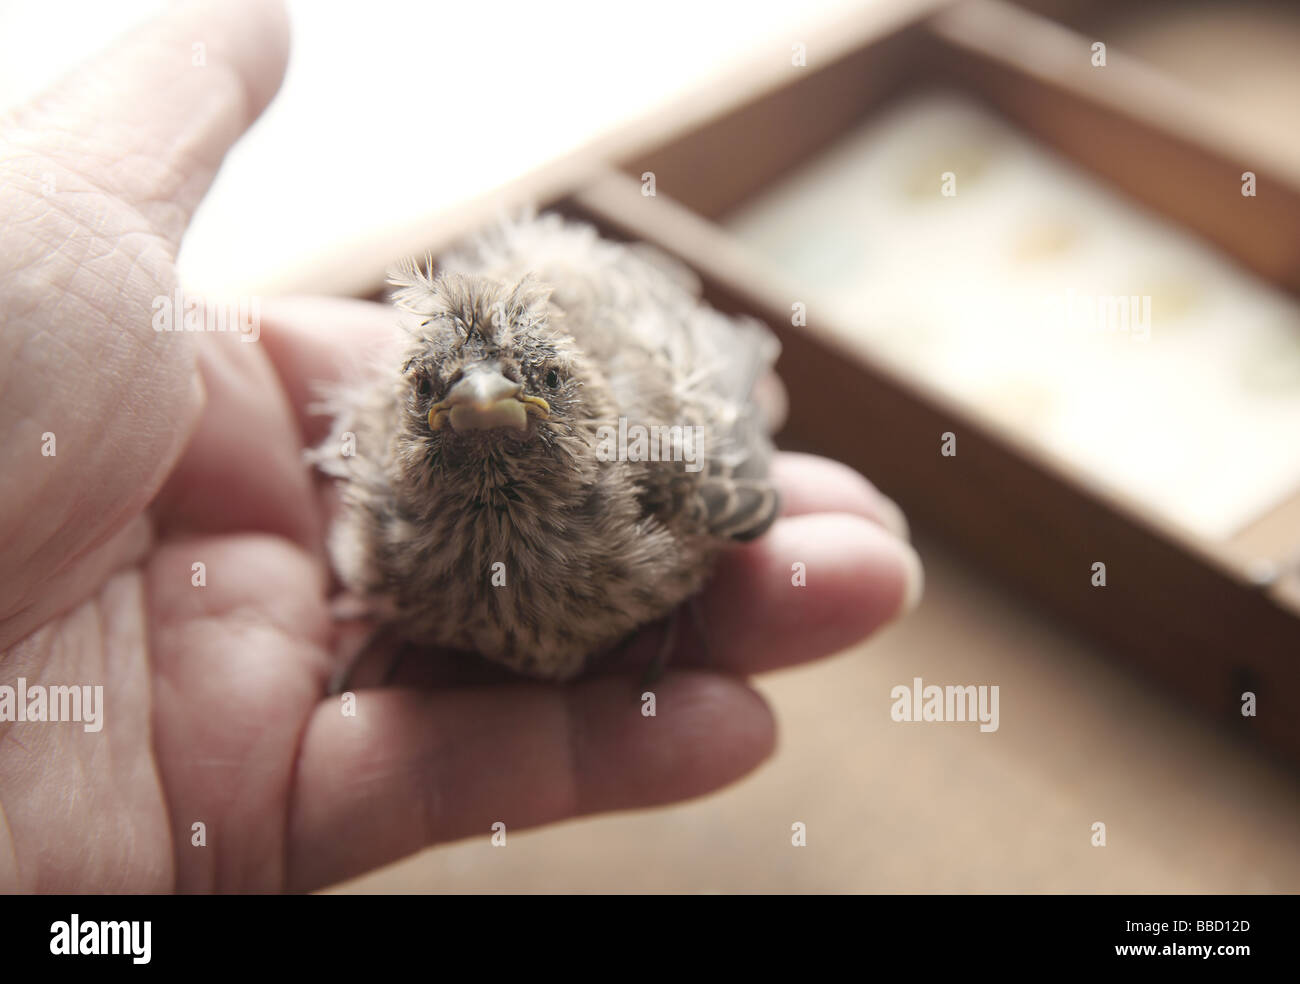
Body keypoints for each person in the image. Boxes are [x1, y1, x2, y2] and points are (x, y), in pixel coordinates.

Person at [0, 0, 922, 892]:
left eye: (535, 387)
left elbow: (730, 370)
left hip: (623, 296)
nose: (482, 398)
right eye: (441, 392)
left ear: (586, 405)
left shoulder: (671, 470)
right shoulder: (384, 518)